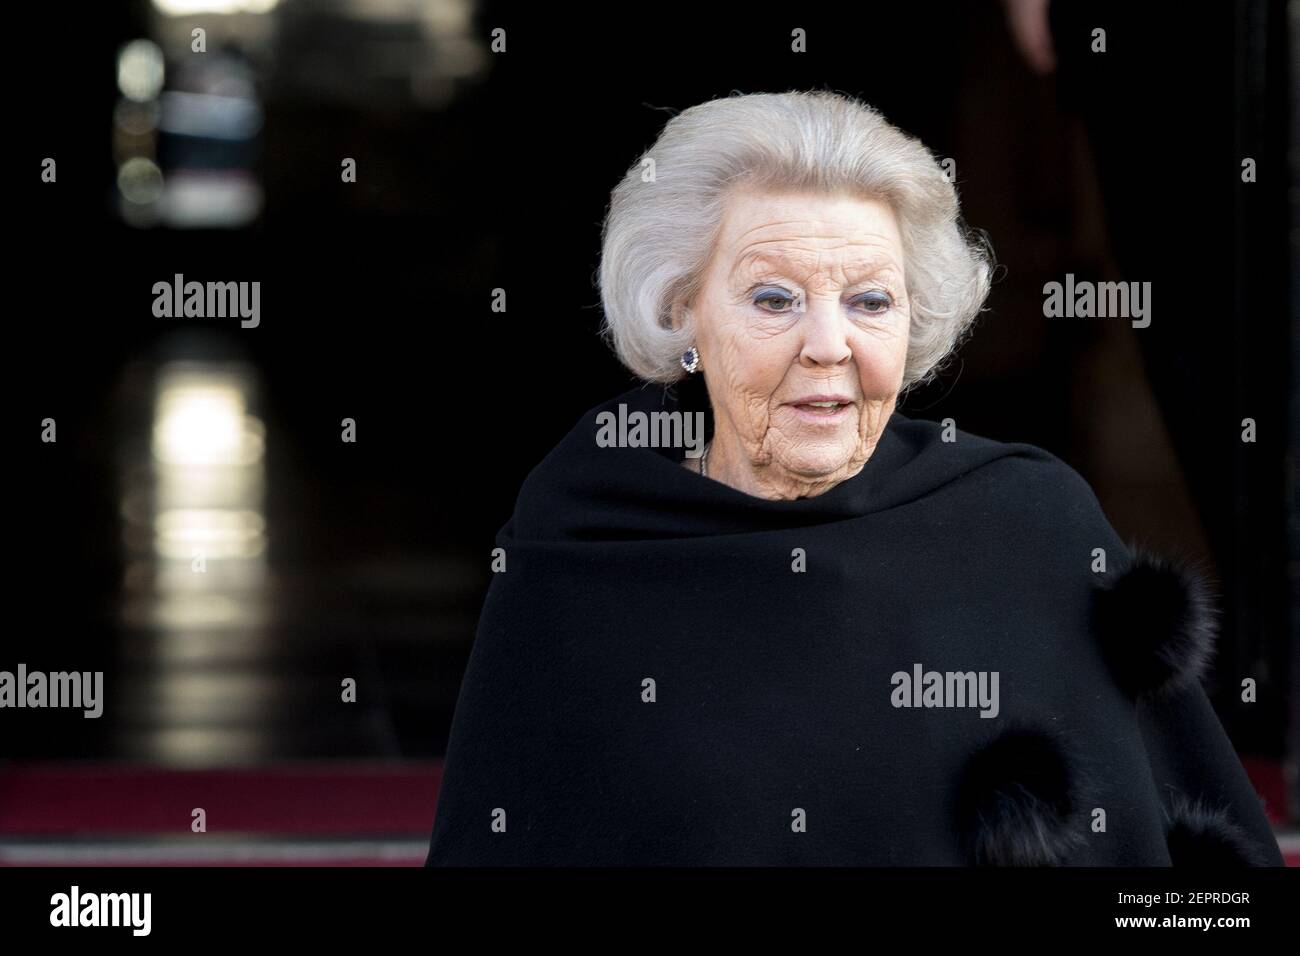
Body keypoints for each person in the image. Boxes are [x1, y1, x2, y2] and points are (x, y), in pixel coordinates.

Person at [424, 90, 1283, 866]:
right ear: (682, 308)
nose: (830, 344)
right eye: (773, 299)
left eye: (870, 301)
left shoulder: (1028, 526)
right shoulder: (581, 546)